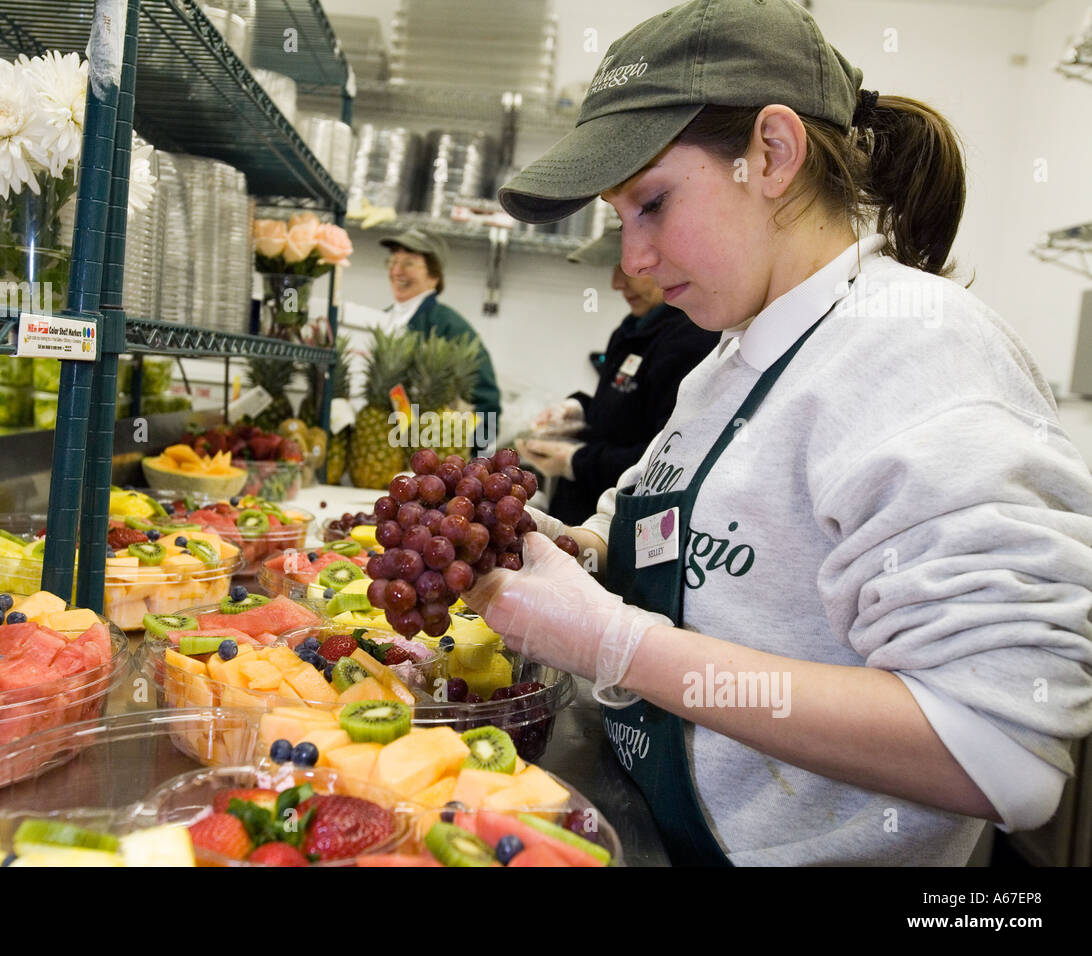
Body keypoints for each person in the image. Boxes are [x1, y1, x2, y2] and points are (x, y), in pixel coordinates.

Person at [464, 0, 1092, 866]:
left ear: (773, 152)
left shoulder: (920, 351)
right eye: (621, 219)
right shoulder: (733, 361)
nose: (633, 259)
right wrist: (565, 548)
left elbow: (999, 757)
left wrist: (618, 645)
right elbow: (669, 534)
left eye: (652, 203)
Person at [520, 229, 719, 526]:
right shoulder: (631, 329)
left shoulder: (693, 340)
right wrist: (577, 409)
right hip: (581, 511)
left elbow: (666, 456)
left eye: (626, 267)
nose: (616, 283)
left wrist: (575, 461)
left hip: (623, 524)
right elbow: (621, 411)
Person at [379, 228, 501, 446]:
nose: (397, 271)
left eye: (408, 263)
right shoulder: (381, 320)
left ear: (434, 275)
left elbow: (487, 404)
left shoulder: (450, 326)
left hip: (431, 453)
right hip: (380, 442)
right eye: (393, 262)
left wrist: (468, 456)